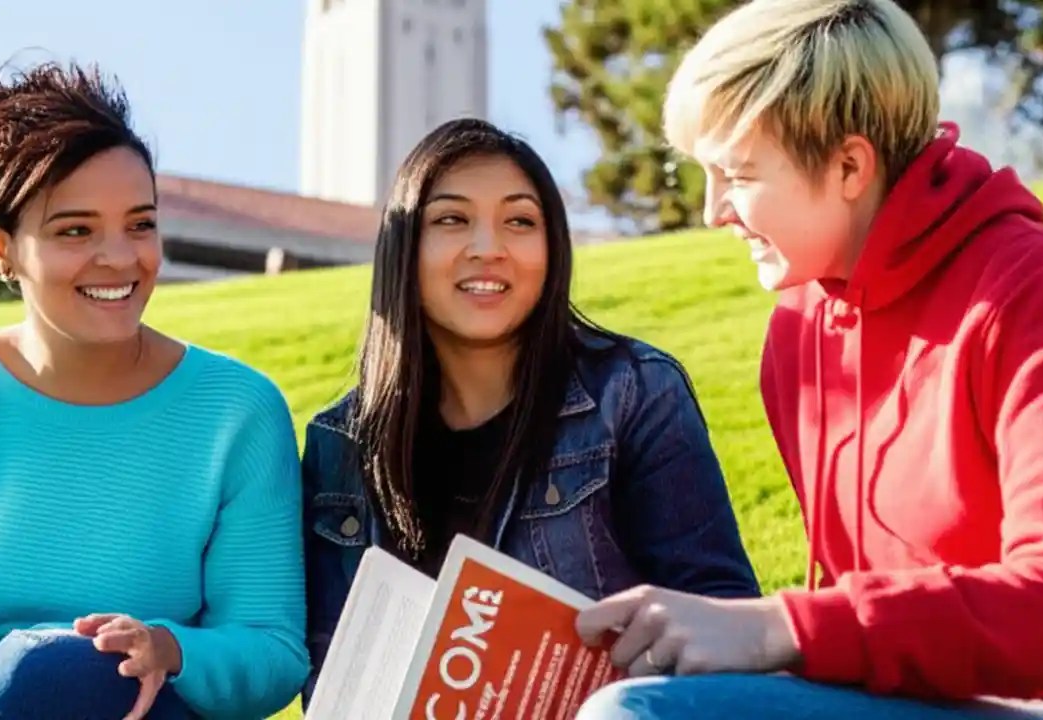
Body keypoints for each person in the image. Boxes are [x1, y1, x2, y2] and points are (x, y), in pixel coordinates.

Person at [572, 1, 1043, 719]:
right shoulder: (798, 334)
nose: (712, 212)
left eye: (736, 174)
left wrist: (784, 627)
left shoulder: (1040, 291)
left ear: (849, 164)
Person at [0, 61, 308, 720]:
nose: (120, 258)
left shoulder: (238, 412)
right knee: (42, 671)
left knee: (71, 668)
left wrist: (169, 649)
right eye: (75, 231)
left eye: (140, 224)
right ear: (1, 246)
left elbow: (272, 647)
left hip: (147, 710)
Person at [299, 117, 761, 708]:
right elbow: (330, 676)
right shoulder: (341, 442)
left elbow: (725, 620)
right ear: (404, 248)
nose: (489, 248)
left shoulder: (634, 393)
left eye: (520, 221)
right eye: (451, 220)